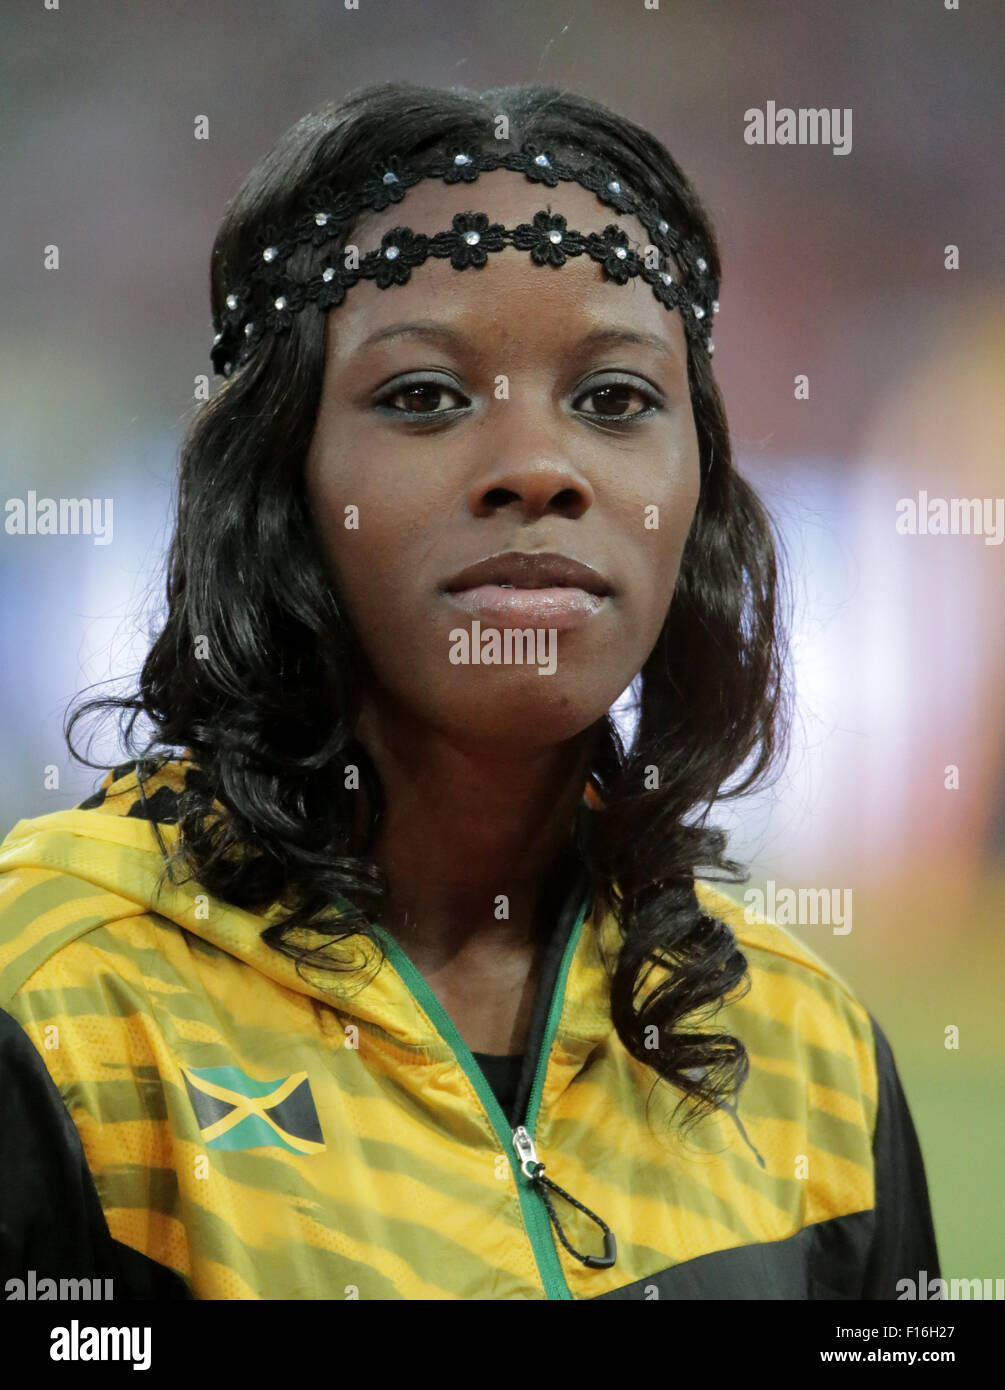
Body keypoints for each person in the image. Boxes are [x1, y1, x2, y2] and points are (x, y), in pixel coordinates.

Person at [0, 81, 939, 1300]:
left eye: (615, 400)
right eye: (423, 397)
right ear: (275, 490)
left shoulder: (814, 1059)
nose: (538, 468)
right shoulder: (59, 1006)